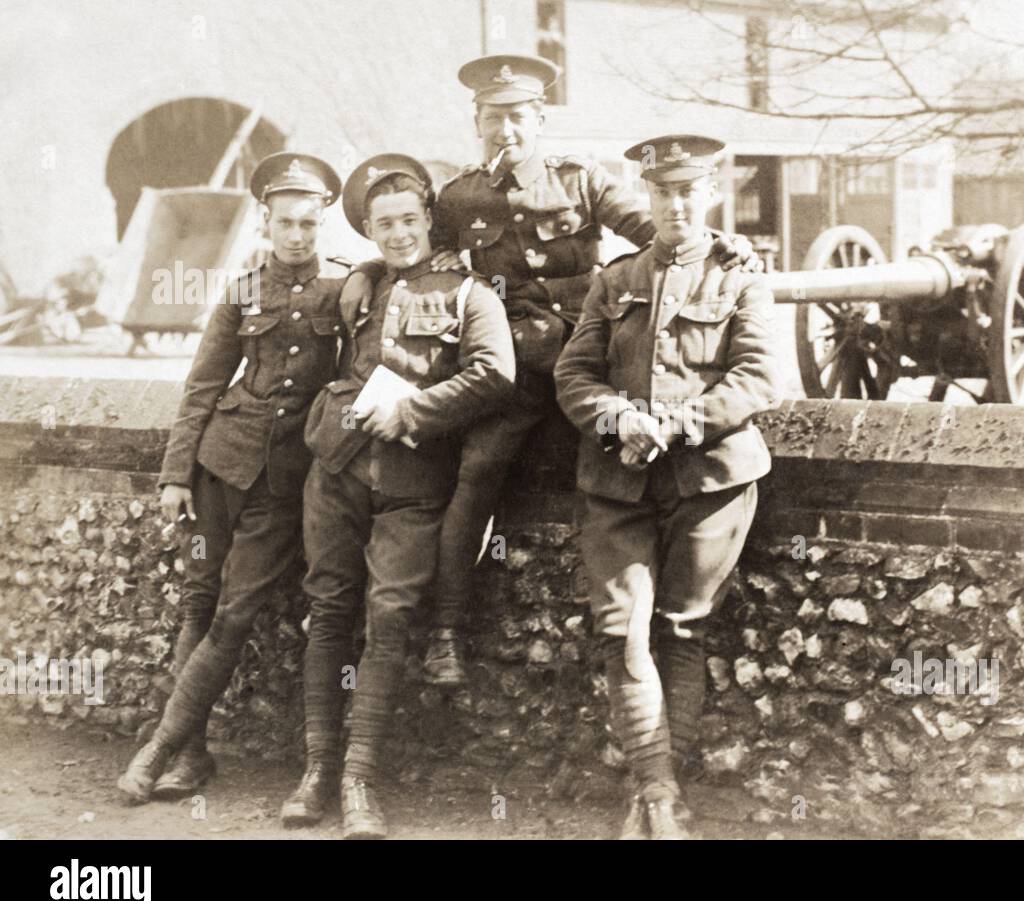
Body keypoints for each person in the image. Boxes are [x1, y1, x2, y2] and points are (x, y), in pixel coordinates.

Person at [341, 54, 756, 686]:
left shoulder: (581, 180)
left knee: (618, 467)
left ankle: (636, 629)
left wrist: (724, 245)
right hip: (509, 369)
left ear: (538, 120)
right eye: (492, 119)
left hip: (586, 362)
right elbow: (413, 248)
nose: (505, 131)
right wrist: (363, 270)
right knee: (477, 470)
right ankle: (447, 631)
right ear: (476, 122)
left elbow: (657, 231)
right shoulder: (458, 196)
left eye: (516, 118)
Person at [280, 153, 514, 839]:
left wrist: (415, 412)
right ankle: (318, 767)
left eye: (408, 219)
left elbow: (495, 373)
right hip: (337, 469)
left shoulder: (472, 295)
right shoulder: (363, 287)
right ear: (370, 230)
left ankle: (359, 777)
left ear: (428, 221)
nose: (397, 233)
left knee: (387, 615)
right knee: (327, 607)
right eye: (383, 224)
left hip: (413, 484)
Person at [553, 134, 781, 838]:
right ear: (646, 197)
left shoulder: (740, 275)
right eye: (662, 192)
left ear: (710, 193)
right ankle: (658, 794)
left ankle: (653, 795)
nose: (676, 204)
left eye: (688, 191)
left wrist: (680, 424)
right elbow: (574, 372)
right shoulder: (616, 279)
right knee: (623, 628)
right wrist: (618, 415)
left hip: (708, 479)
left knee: (682, 628)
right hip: (618, 480)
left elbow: (760, 376)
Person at [118, 153, 346, 803]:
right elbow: (204, 383)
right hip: (221, 463)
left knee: (234, 612)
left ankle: (158, 748)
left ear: (323, 221)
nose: (297, 235)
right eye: (285, 223)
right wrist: (175, 475)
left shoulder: (348, 289)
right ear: (265, 224)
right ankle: (191, 756)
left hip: (284, 480)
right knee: (197, 599)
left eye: (309, 223)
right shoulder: (243, 288)